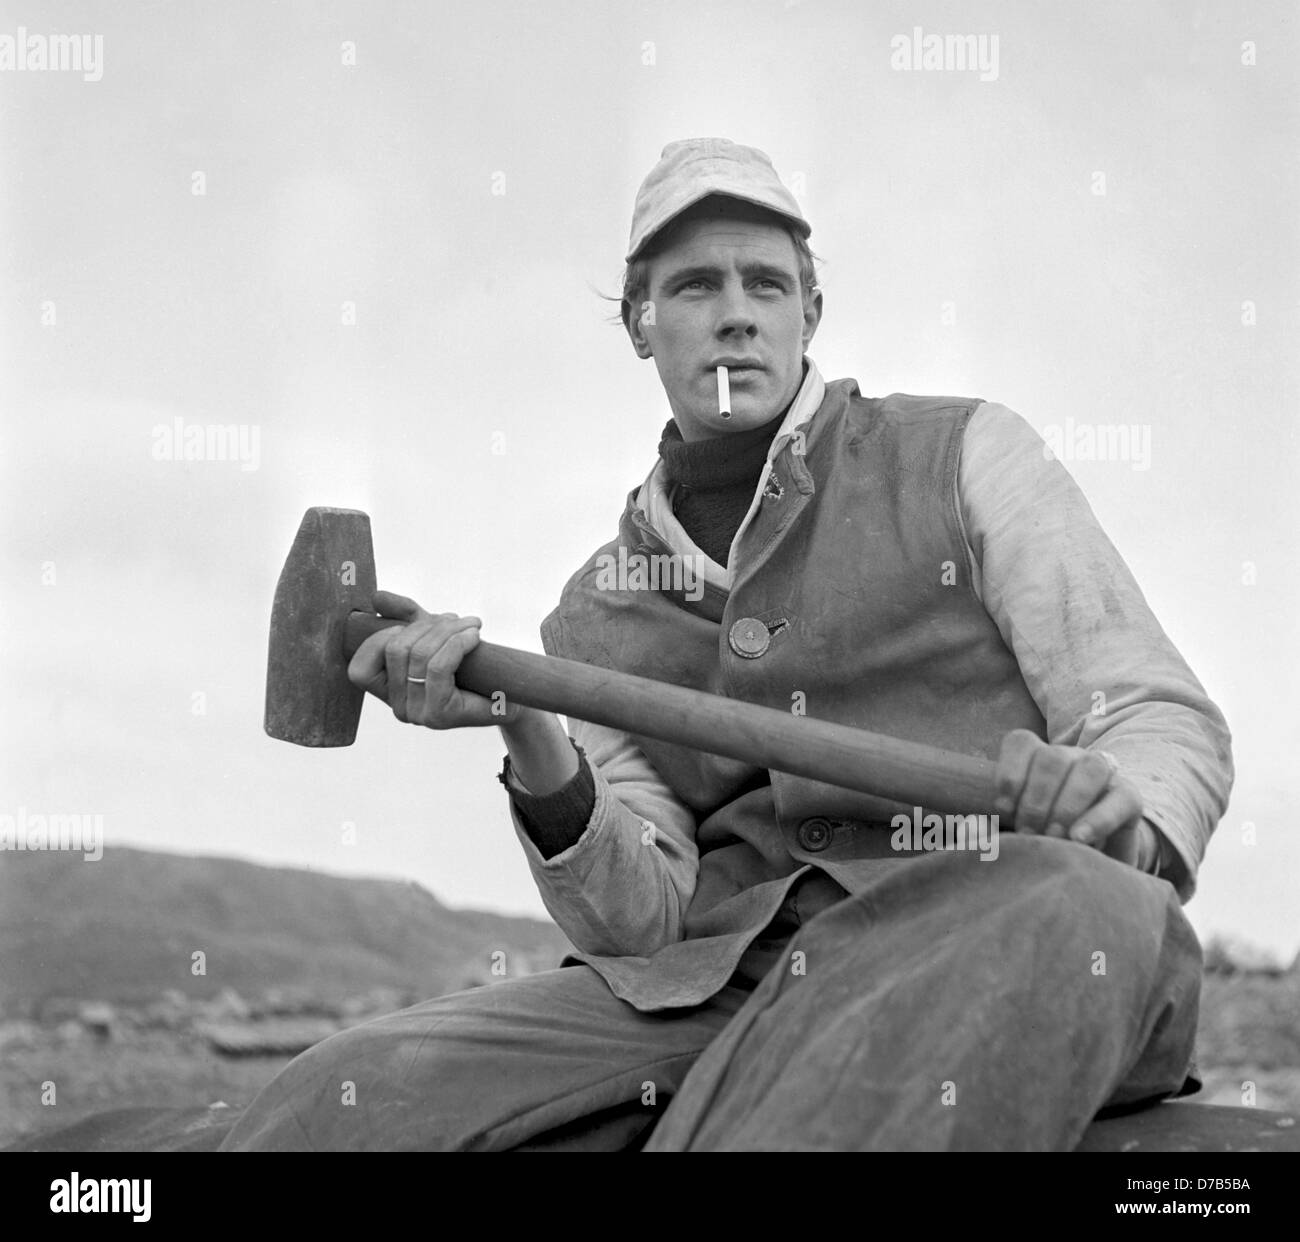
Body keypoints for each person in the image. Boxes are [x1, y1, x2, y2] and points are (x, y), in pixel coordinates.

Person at [220, 137, 1233, 1152]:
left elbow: (1149, 716)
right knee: (344, 1093)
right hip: (728, 983)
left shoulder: (965, 455)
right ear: (640, 324)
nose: (737, 311)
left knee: (1061, 902)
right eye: (696, 284)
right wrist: (526, 726)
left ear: (810, 314)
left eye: (767, 283)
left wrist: (1120, 815)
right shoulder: (595, 615)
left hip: (996, 925)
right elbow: (644, 925)